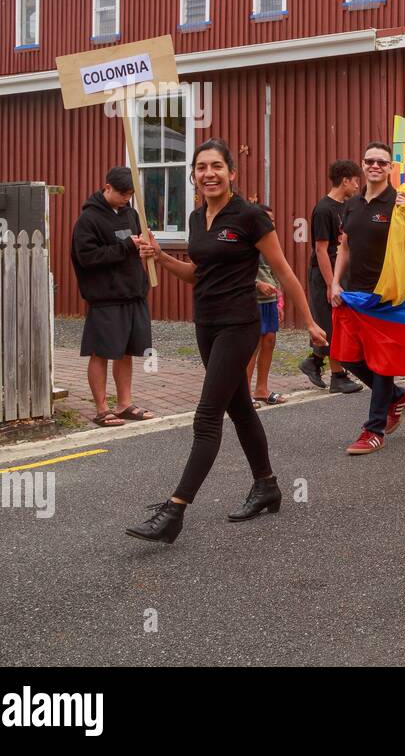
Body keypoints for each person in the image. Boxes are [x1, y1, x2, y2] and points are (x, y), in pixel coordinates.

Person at [126, 140, 325, 544]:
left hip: (239, 325)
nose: (208, 173)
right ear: (194, 175)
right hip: (206, 325)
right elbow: (198, 274)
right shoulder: (198, 218)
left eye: (216, 166)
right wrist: (160, 256)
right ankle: (267, 485)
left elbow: (284, 271)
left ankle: (174, 510)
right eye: (201, 167)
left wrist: (310, 322)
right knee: (240, 410)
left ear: (231, 172)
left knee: (207, 415)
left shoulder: (249, 217)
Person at [329, 142, 405, 455]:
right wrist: (335, 283)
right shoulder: (351, 204)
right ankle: (395, 395)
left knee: (381, 362)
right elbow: (345, 247)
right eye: (370, 161)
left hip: (386, 296)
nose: (375, 166)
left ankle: (374, 429)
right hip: (353, 294)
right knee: (348, 356)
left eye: (382, 162)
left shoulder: (398, 203)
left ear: (390, 168)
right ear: (362, 165)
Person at [70, 166, 155, 427]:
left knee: (126, 351)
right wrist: (125, 246)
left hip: (132, 293)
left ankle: (124, 403)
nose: (126, 199)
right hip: (105, 297)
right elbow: (87, 258)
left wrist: (145, 248)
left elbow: (134, 247)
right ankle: (101, 407)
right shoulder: (89, 220)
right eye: (121, 194)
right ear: (106, 187)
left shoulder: (131, 214)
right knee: (101, 352)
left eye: (130, 194)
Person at [299, 160, 363, 395]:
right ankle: (338, 376)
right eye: (355, 180)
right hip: (324, 274)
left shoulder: (346, 206)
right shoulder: (324, 209)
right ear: (345, 180)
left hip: (340, 272)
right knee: (332, 322)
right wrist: (330, 284)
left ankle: (314, 361)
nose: (358, 185)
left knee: (340, 320)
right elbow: (320, 249)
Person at [247, 204, 286, 408]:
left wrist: (279, 301)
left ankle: (261, 389)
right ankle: (244, 394)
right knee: (251, 346)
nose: (271, 224)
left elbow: (276, 272)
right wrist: (257, 285)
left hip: (269, 301)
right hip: (251, 300)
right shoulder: (246, 243)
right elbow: (239, 274)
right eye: (267, 220)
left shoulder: (271, 243)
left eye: (272, 221)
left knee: (269, 341)